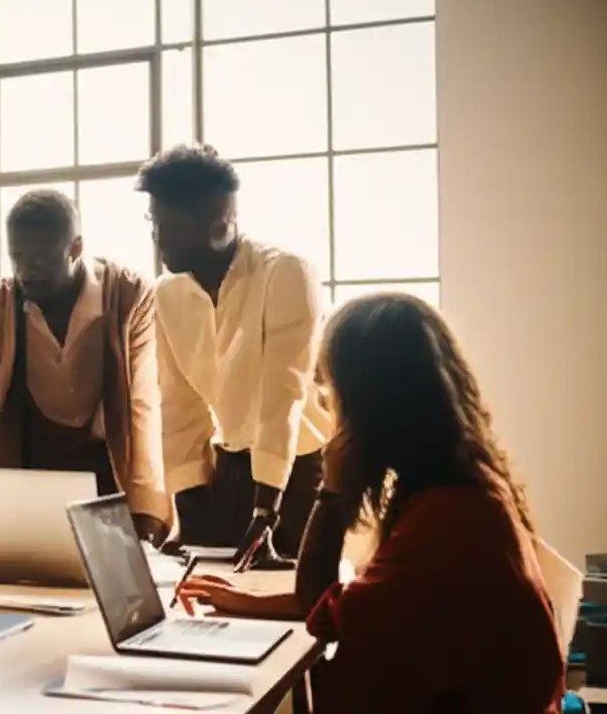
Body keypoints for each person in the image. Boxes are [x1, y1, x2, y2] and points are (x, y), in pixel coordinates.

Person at [177, 293, 566, 713]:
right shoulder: (465, 488)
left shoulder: (444, 523)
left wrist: (334, 490)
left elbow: (330, 623)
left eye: (333, 393)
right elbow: (355, 606)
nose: (329, 409)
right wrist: (252, 603)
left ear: (370, 405)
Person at [0, 189, 170, 551]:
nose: (27, 272)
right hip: (24, 473)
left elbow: (144, 406)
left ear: (75, 248)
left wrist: (147, 514)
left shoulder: (130, 295)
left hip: (108, 470)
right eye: (18, 258)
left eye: (41, 260)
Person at [140, 143, 331, 570]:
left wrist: (266, 514)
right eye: (154, 222)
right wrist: (189, 518)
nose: (158, 239)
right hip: (229, 466)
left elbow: (282, 397)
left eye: (171, 226)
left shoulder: (285, 274)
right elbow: (180, 408)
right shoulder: (166, 295)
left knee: (287, 601)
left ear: (219, 225)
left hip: (296, 473)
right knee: (211, 592)